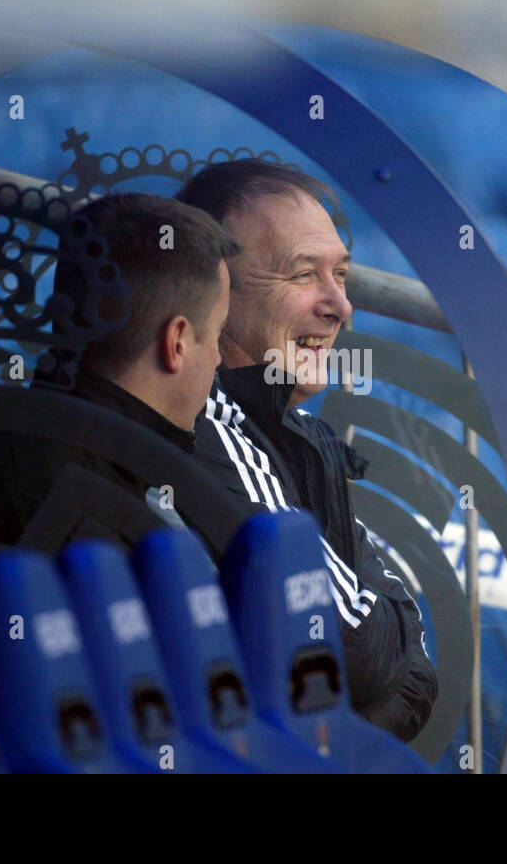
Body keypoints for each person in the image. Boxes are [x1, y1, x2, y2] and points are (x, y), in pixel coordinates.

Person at [176, 160, 439, 742]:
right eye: (302, 276)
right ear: (215, 290)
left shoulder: (293, 435)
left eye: (340, 275)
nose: (340, 306)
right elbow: (367, 657)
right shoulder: (207, 428)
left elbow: (412, 656)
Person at [0, 192, 236, 556]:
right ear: (177, 342)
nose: (218, 358)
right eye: (218, 333)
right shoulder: (96, 516)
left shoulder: (29, 447)